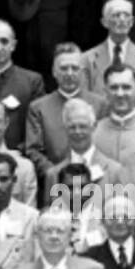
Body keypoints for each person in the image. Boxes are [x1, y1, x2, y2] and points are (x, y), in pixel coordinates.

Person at [24, 44, 107, 185]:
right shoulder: (38, 107)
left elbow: (105, 144)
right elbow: (33, 149)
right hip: (56, 184)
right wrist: (55, 174)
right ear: (54, 72)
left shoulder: (100, 105)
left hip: (95, 181)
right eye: (63, 68)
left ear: (82, 71)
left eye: (74, 68)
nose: (69, 73)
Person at [0, 19, 45, 151]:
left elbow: (37, 126)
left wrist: (21, 151)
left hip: (19, 157)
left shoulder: (32, 81)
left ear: (13, 45)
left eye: (4, 41)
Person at [44, 97, 126, 199]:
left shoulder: (114, 171)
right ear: (65, 129)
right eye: (72, 127)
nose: (78, 132)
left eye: (83, 126)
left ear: (94, 126)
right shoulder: (53, 175)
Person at [80, 0, 135, 95]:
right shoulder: (87, 59)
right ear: (104, 22)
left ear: (132, 22)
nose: (122, 19)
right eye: (116, 15)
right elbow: (84, 98)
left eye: (126, 15)